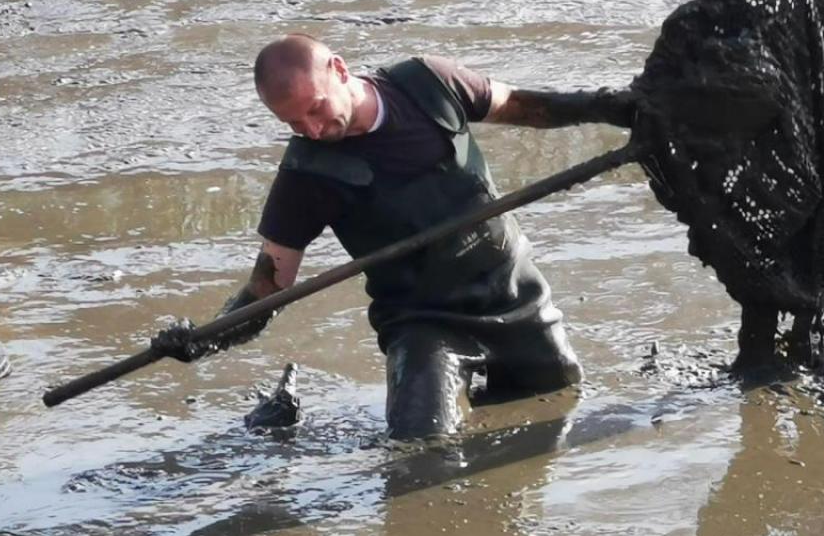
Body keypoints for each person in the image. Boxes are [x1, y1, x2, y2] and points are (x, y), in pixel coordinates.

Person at [154, 34, 634, 439]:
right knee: (419, 448)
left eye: (316, 110)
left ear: (340, 70)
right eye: (295, 124)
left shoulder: (428, 84)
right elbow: (269, 288)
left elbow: (528, 108)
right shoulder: (305, 174)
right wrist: (201, 340)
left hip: (515, 293)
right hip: (424, 323)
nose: (313, 130)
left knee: (558, 400)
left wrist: (617, 109)